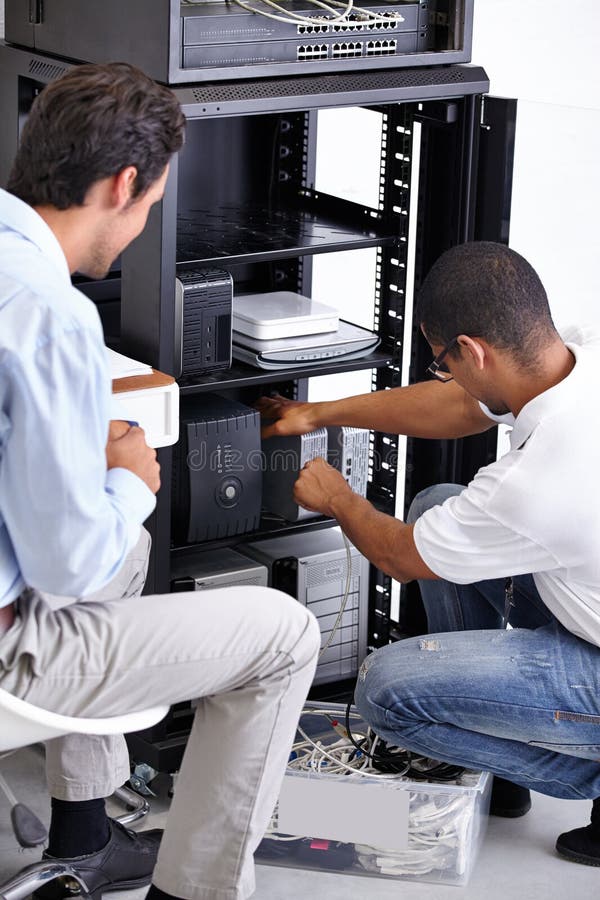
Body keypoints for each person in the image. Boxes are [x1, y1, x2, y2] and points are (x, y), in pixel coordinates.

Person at [0, 62, 320, 900]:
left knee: (127, 553)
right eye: (148, 207)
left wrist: (77, 459)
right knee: (284, 638)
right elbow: (63, 564)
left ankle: (85, 831)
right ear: (125, 183)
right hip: (7, 646)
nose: (142, 226)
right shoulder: (49, 312)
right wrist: (131, 477)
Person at [257, 240, 600, 867]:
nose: (443, 373)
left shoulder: (539, 478)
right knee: (437, 500)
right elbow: (463, 405)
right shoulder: (579, 353)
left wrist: (336, 496)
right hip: (588, 601)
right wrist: (319, 413)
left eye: (441, 360)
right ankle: (501, 772)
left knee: (385, 690)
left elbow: (399, 557)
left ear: (472, 350)